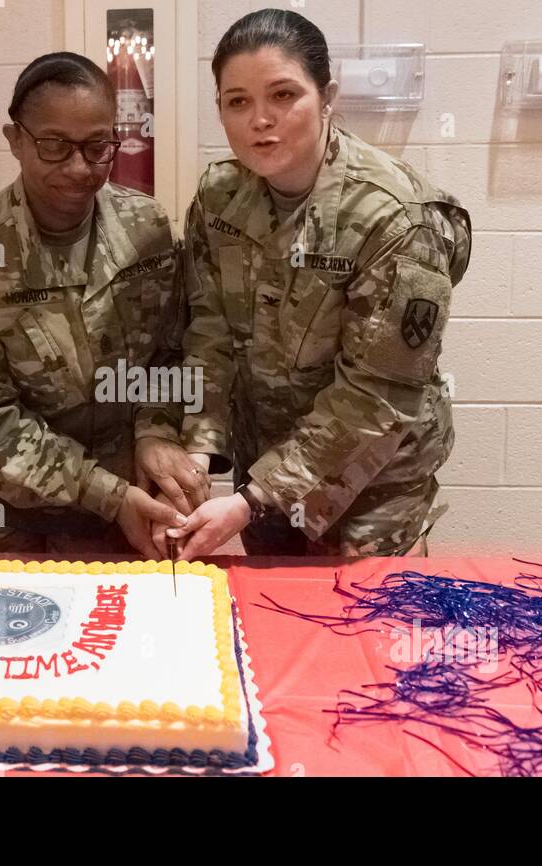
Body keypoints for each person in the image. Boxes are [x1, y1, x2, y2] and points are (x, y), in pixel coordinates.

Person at [162, 9, 472, 559]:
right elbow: (208, 334)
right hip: (266, 464)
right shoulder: (218, 197)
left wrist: (254, 498)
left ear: (327, 96)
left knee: (359, 630)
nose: (260, 120)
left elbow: (377, 396)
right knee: (269, 624)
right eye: (238, 102)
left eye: (283, 95)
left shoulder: (396, 217)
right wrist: (201, 458)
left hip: (372, 486)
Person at [0, 52, 206, 556]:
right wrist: (108, 494)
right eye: (53, 146)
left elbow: (169, 356)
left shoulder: (148, 230)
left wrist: (156, 436)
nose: (78, 167)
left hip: (129, 506)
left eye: (97, 146)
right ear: (16, 140)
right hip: (9, 520)